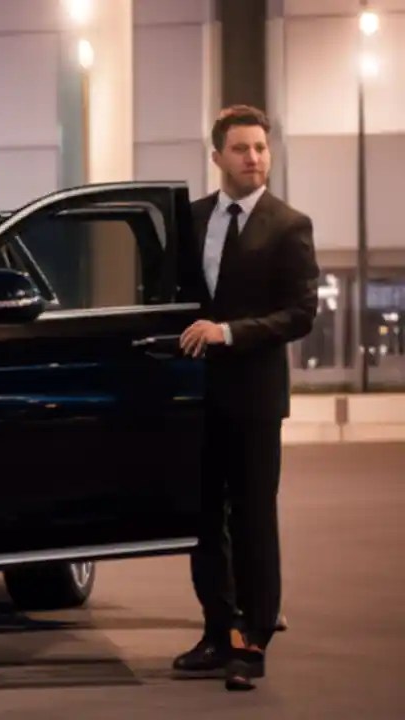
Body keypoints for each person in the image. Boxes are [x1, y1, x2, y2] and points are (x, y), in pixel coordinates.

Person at [173, 105, 319, 691]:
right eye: (241, 149)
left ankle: (252, 643)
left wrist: (227, 332)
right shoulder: (192, 219)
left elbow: (300, 314)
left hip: (256, 399)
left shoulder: (289, 225)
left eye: (260, 147)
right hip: (196, 399)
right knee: (205, 521)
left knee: (255, 520)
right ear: (217, 157)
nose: (253, 157)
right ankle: (215, 633)